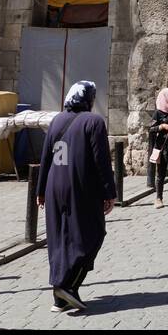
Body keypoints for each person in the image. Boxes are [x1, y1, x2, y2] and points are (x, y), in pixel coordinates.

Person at [36, 81, 116, 312]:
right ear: (89, 99)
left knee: (59, 239)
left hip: (54, 186)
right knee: (92, 235)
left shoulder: (56, 120)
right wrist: (109, 192)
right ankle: (67, 286)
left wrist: (40, 190)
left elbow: (46, 158)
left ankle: (60, 299)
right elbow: (101, 161)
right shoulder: (94, 122)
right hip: (80, 187)